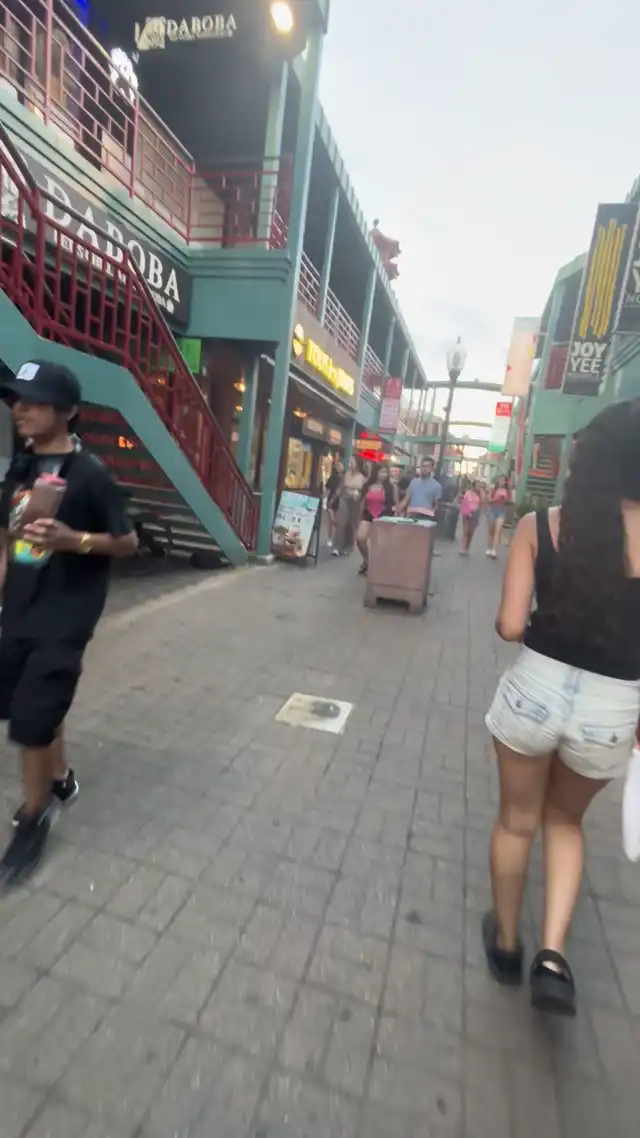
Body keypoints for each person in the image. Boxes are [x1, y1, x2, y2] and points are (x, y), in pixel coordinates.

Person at [483, 400, 640, 1015]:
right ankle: (553, 959)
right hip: (612, 709)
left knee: (516, 821)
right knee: (565, 824)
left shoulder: (540, 527)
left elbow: (507, 625)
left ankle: (506, 944)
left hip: (535, 690)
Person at [0, 360, 138, 887]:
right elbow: (6, 537)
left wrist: (73, 540)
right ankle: (59, 780)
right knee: (31, 700)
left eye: (34, 401)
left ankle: (34, 817)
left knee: (32, 718)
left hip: (66, 613)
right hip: (20, 606)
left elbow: (126, 543)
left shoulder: (91, 475)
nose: (20, 409)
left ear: (67, 411)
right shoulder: (20, 467)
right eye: (16, 399)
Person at [356, 462, 398, 575]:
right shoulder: (367, 485)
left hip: (384, 514)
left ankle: (377, 566)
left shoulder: (391, 487)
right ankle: (367, 561)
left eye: (386, 472)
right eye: (382, 472)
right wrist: (359, 516)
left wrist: (396, 518)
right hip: (368, 513)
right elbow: (362, 501)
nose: (384, 474)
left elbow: (396, 504)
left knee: (381, 544)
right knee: (360, 538)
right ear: (376, 473)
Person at [333, 456, 365, 556]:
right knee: (341, 522)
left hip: (355, 502)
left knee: (351, 525)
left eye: (352, 462)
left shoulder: (362, 477)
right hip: (344, 499)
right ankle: (337, 547)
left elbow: (364, 492)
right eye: (349, 462)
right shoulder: (346, 474)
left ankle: (348, 546)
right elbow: (340, 488)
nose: (350, 464)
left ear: (357, 463)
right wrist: (333, 498)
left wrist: (358, 495)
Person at [486, 475, 510, 558]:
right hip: (493, 510)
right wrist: (495, 499)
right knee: (491, 530)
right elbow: (489, 500)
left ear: (505, 482)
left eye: (503, 480)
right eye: (500, 480)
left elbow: (509, 502)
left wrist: (504, 499)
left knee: (497, 531)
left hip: (501, 511)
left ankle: (494, 550)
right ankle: (489, 547)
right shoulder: (493, 490)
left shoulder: (507, 491)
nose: (501, 482)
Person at [324, 457, 343, 549]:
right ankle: (330, 538)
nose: (340, 467)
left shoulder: (345, 477)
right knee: (331, 520)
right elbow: (327, 490)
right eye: (338, 465)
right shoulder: (332, 477)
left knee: (337, 521)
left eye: (341, 465)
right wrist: (325, 499)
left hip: (341, 501)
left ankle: (337, 538)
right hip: (331, 501)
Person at [458, 480, 482, 554]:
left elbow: (482, 504)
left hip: (475, 514)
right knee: (465, 531)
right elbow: (463, 502)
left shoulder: (480, 494)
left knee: (470, 532)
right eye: (478, 485)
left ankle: (467, 547)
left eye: (480, 486)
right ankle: (462, 547)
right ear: (474, 486)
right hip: (467, 513)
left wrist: (479, 515)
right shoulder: (468, 493)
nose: (479, 487)